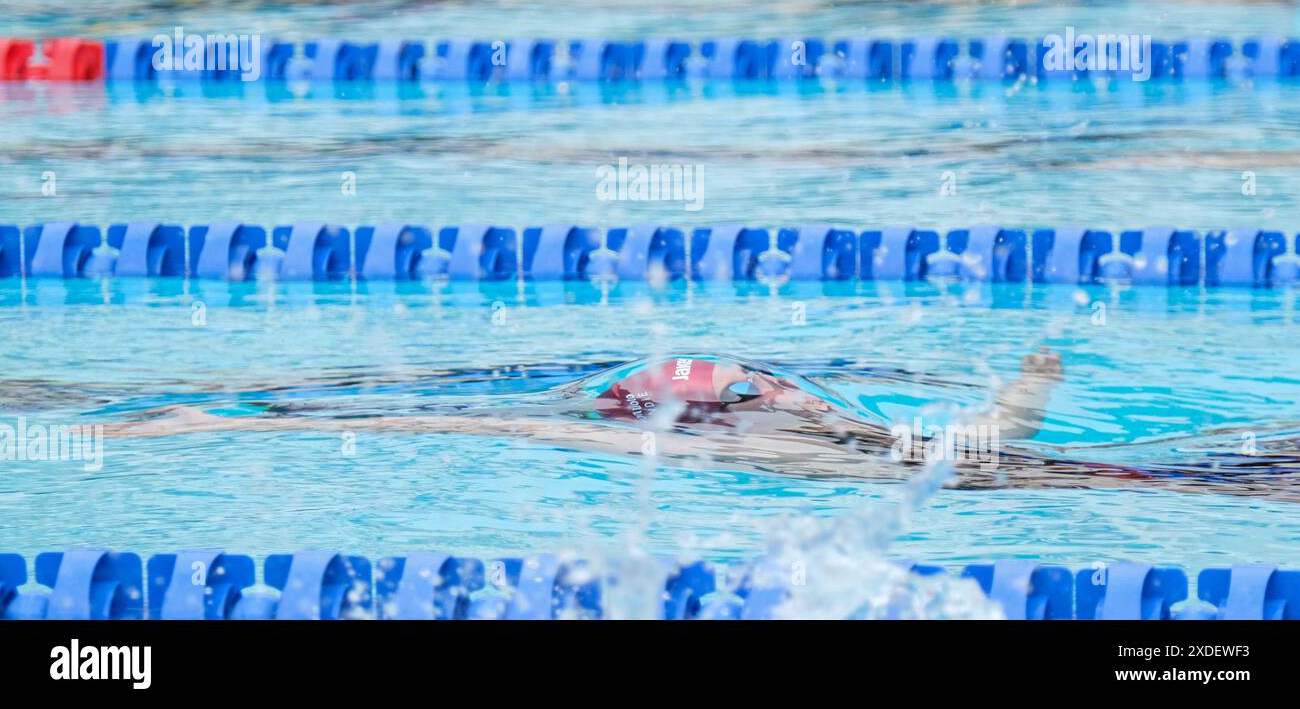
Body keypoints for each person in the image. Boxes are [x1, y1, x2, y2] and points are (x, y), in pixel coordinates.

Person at [99, 350, 1300, 499]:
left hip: (1135, 468)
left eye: (760, 375)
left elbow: (976, 447)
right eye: (747, 384)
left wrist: (1013, 399)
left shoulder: (845, 434)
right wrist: (226, 417)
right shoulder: (645, 445)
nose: (775, 383)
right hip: (1147, 485)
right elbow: (498, 431)